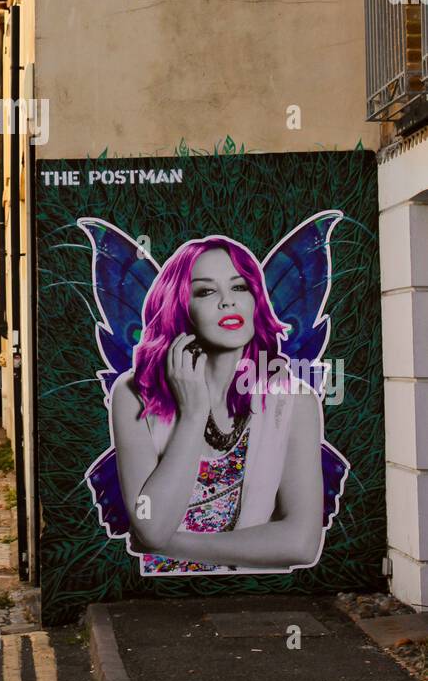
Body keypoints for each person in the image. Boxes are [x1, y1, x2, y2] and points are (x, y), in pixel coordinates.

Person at [110, 237, 324, 574]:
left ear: (256, 300)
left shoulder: (292, 400)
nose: (228, 302)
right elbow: (151, 524)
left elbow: (301, 542)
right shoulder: (137, 393)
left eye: (240, 287)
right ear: (180, 308)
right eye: (206, 291)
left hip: (254, 600)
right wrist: (193, 414)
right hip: (160, 604)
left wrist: (172, 544)